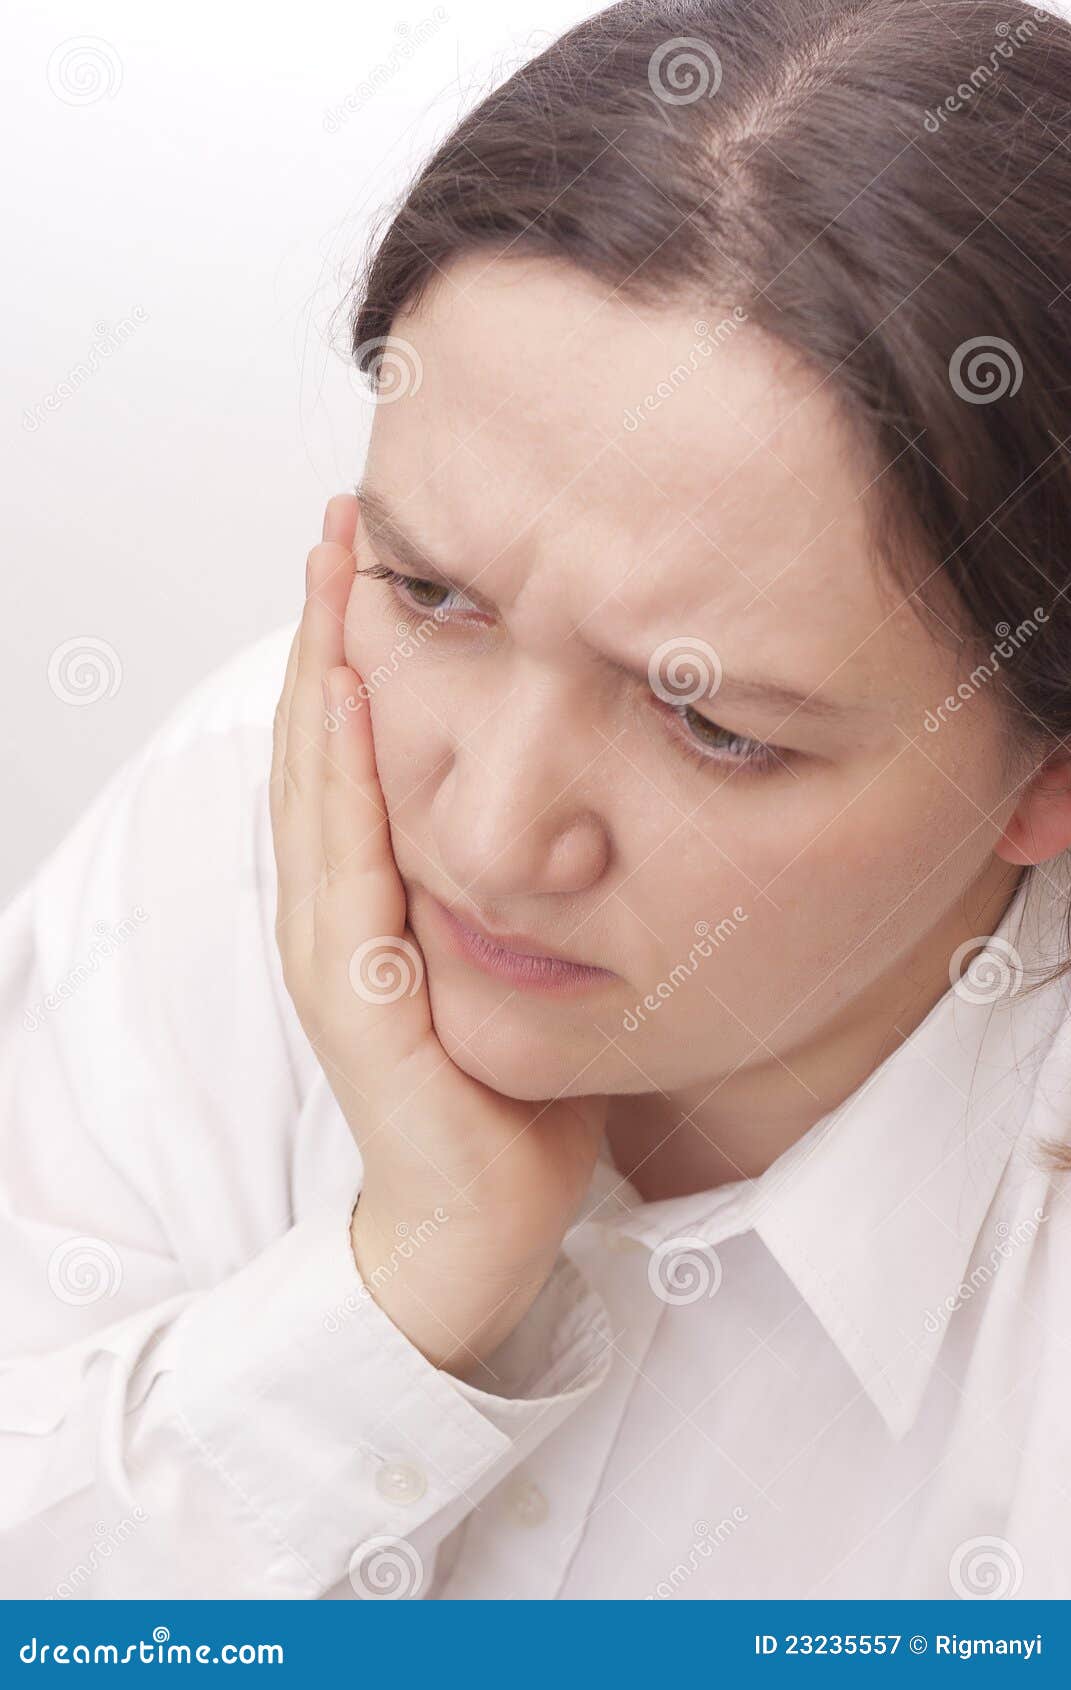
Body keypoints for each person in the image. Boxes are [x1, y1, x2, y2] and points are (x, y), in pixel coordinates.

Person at [3, 0, 1071, 1600]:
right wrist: (404, 1281)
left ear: (1046, 783)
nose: (489, 841)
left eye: (712, 726)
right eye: (431, 591)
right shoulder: (248, 797)